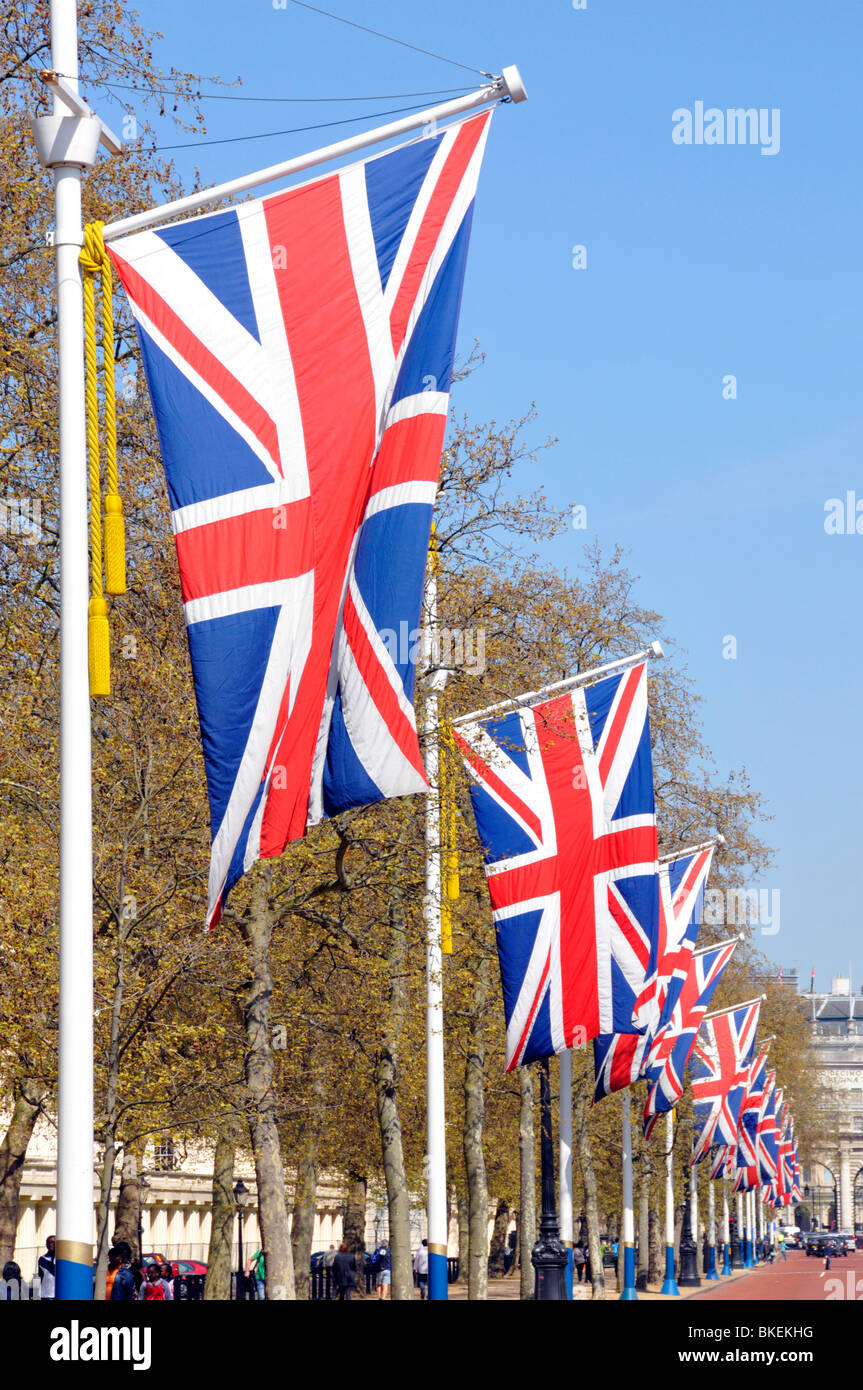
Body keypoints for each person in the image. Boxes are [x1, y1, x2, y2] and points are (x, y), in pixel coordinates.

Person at [37, 1235, 56, 1300]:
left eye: (54, 1242)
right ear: (46, 1244)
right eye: (49, 1242)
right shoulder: (42, 1259)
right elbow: (40, 1276)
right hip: (46, 1294)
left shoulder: (61, 1260)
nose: (52, 1244)